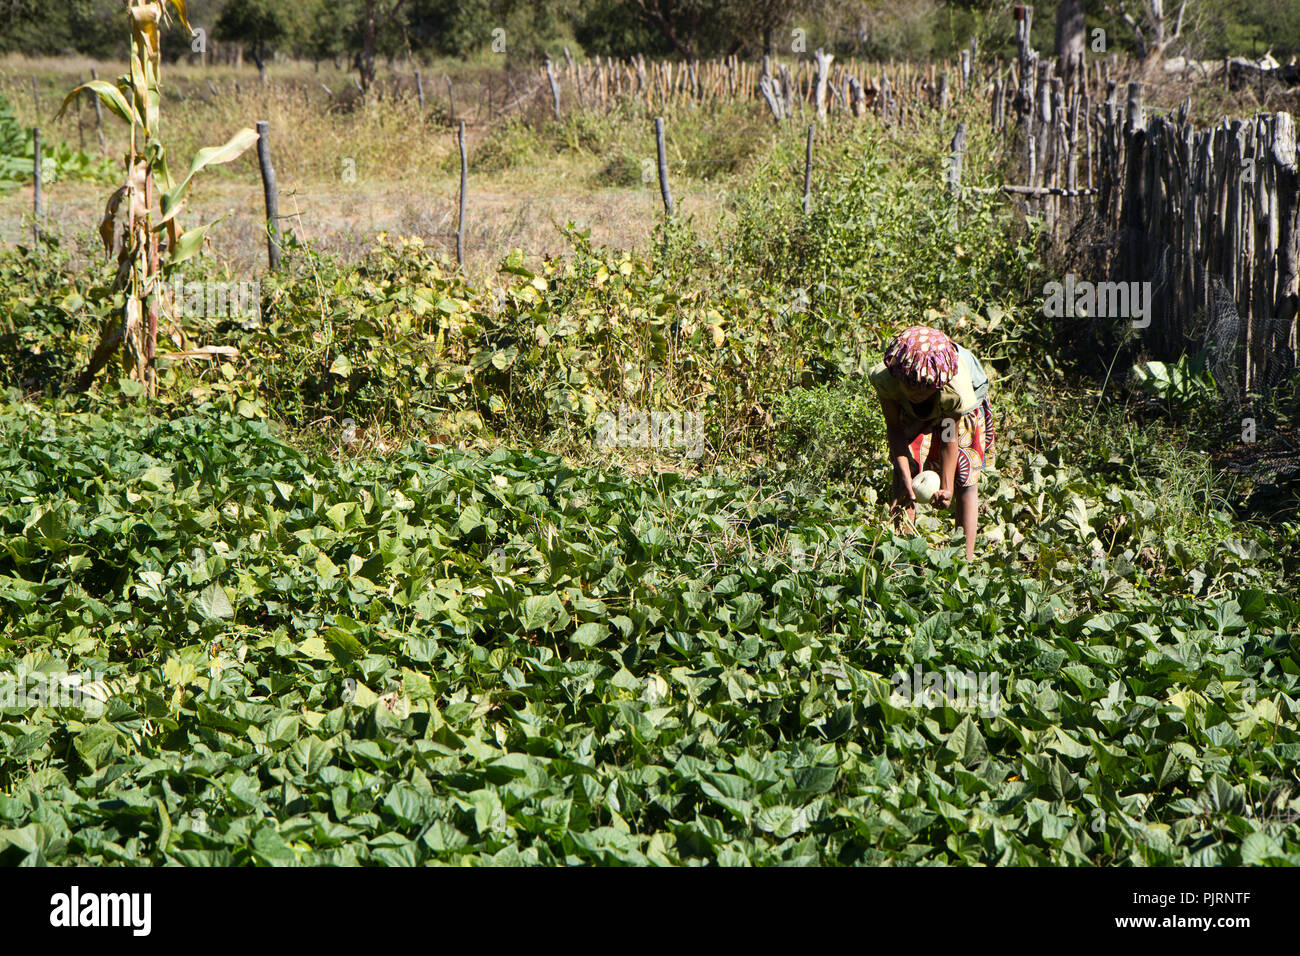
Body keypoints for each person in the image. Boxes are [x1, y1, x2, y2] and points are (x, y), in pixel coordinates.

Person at [869, 325, 994, 559]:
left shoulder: (955, 393)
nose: (915, 391)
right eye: (910, 384)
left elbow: (949, 438)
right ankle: (900, 549)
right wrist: (905, 473)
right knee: (904, 474)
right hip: (911, 410)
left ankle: (963, 560)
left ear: (936, 383)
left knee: (965, 479)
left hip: (959, 410)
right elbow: (895, 429)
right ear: (899, 375)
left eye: (923, 387)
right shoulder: (889, 381)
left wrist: (946, 487)